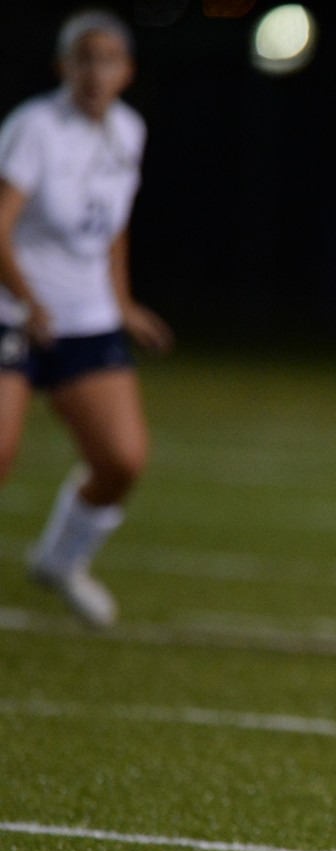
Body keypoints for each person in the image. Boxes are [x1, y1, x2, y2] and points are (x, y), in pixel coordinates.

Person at [0, 8, 173, 628]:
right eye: (84, 59)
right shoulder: (35, 128)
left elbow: (113, 228)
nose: (95, 73)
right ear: (62, 67)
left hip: (85, 317)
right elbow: (0, 227)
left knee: (122, 461)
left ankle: (61, 559)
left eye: (108, 61)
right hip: (15, 314)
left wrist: (121, 303)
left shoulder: (129, 131)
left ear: (126, 71)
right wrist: (29, 300)